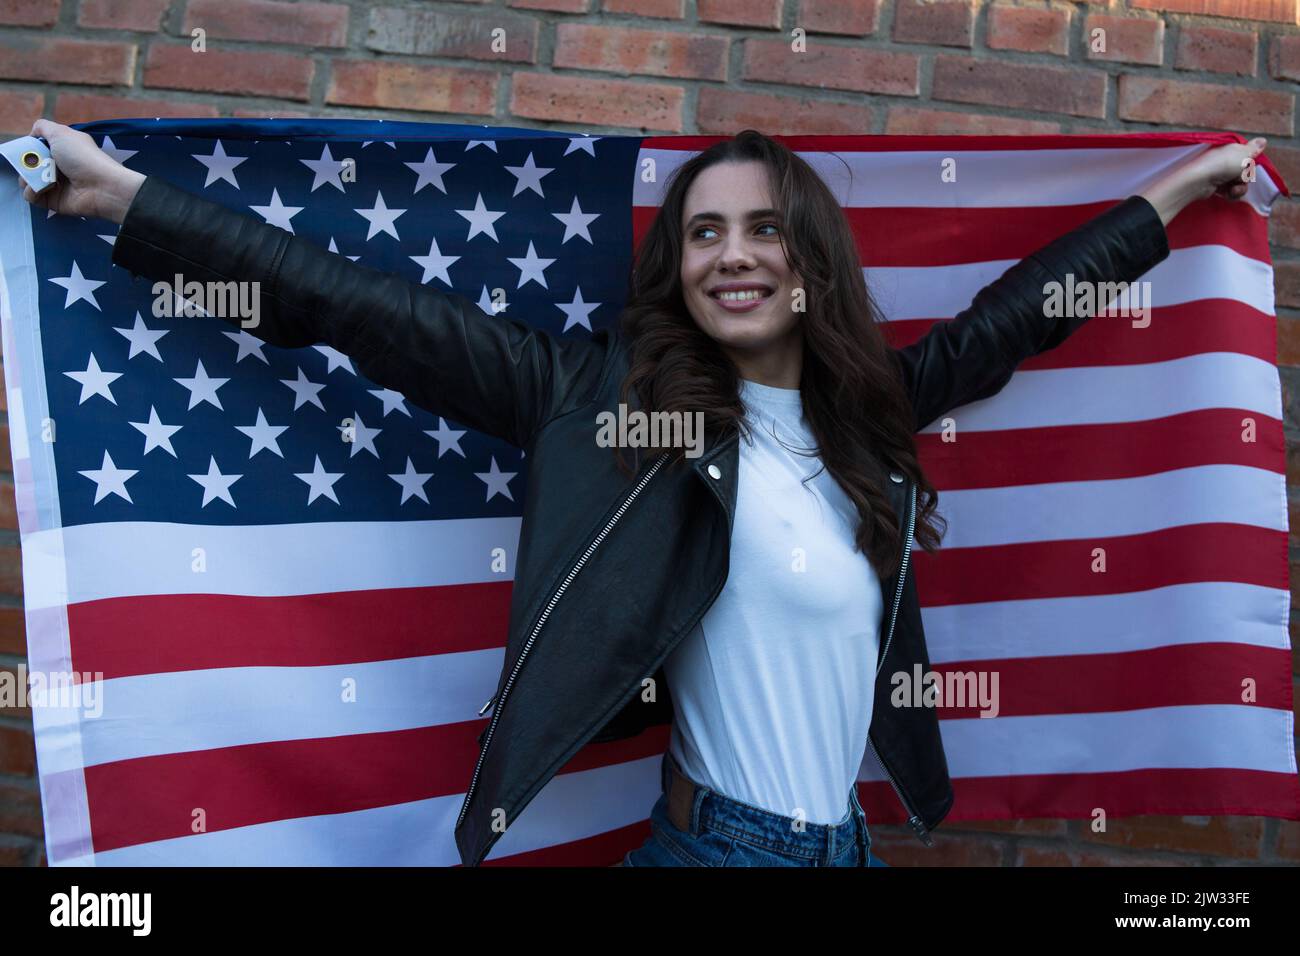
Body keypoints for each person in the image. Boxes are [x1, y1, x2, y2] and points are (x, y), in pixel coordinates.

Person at [18, 120, 1266, 867]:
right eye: (703, 231)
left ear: (810, 263)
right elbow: (351, 305)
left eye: (763, 228)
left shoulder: (863, 413)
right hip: (721, 849)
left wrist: (1174, 197)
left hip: (850, 845)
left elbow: (1015, 321)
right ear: (675, 261)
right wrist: (127, 201)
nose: (731, 254)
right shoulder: (600, 403)